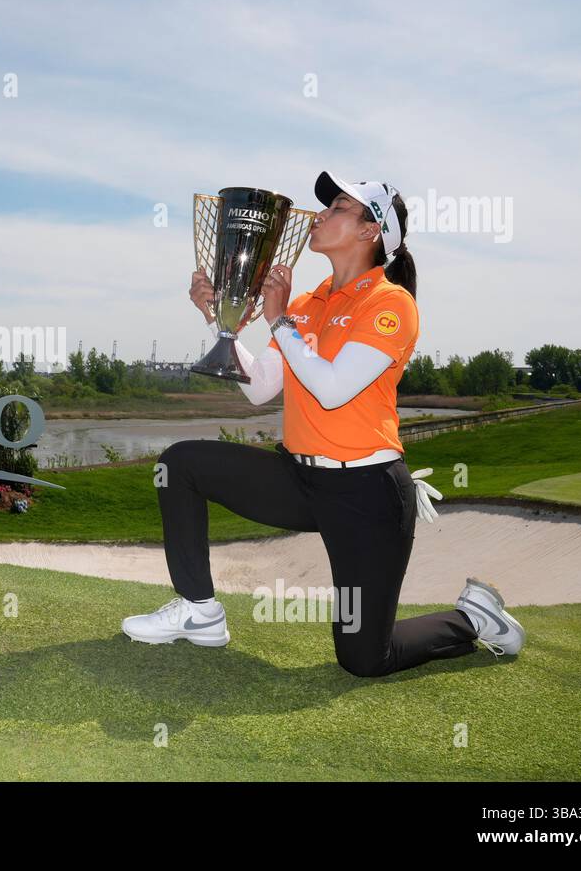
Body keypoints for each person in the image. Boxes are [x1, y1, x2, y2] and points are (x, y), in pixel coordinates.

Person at [121, 171, 524, 675]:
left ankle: (474, 619)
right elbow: (260, 388)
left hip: (366, 494)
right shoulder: (308, 303)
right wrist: (219, 319)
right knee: (180, 464)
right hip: (300, 478)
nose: (320, 215)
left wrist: (278, 320)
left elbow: (332, 389)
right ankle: (200, 612)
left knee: (365, 658)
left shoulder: (390, 305)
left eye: (336, 208)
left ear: (369, 231)